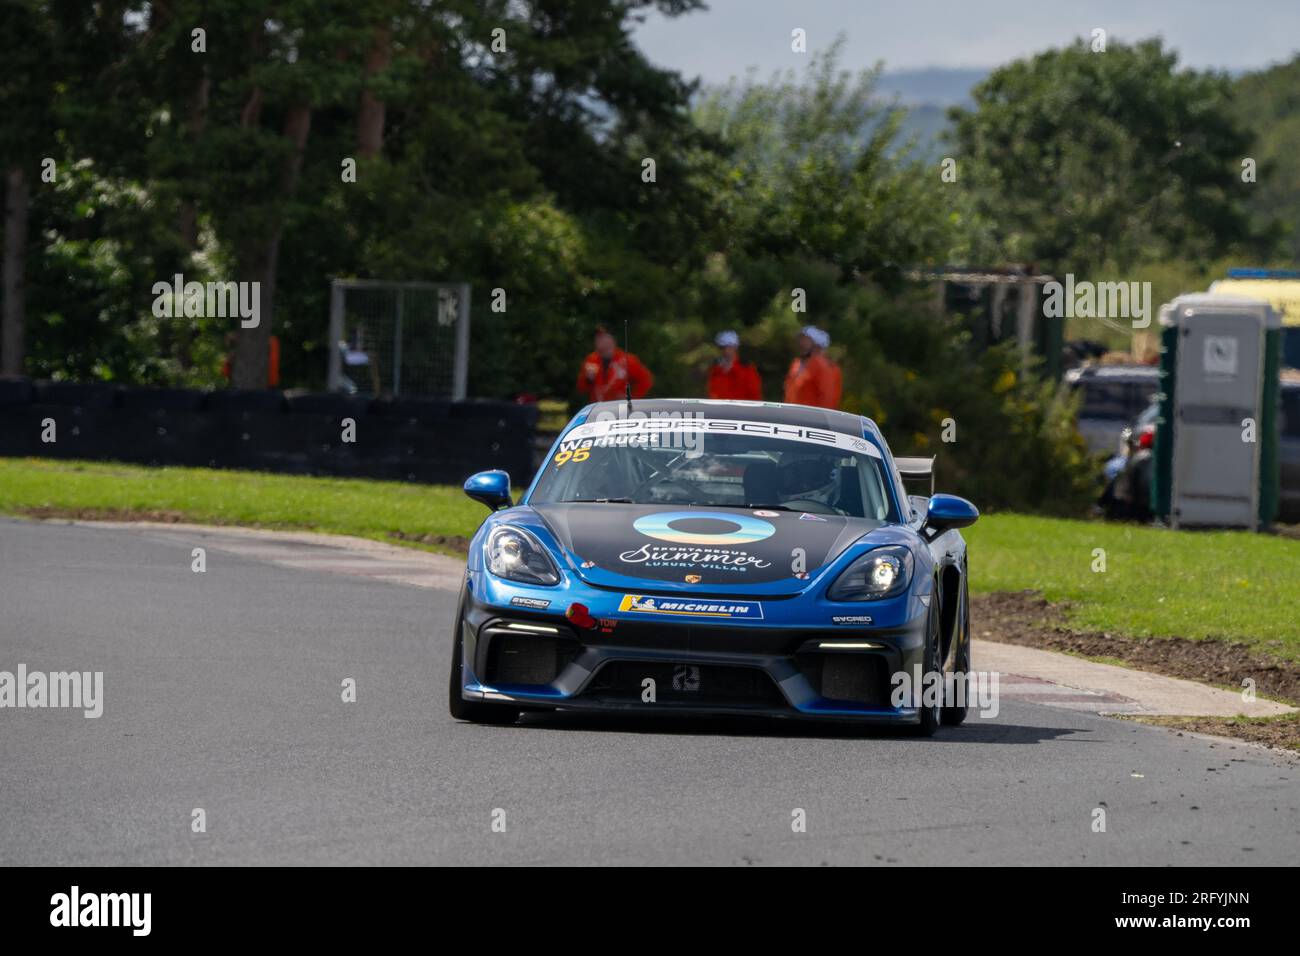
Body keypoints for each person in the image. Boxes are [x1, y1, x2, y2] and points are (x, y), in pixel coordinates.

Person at [576, 325, 653, 403]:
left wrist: (632, 398)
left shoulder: (627, 360)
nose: (601, 341)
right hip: (599, 409)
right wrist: (588, 380)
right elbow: (581, 388)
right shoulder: (591, 360)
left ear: (612, 340)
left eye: (603, 337)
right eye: (598, 338)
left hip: (620, 408)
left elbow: (646, 380)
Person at [783, 325, 840, 409]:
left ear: (816, 344)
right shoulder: (797, 363)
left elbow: (827, 398)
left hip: (811, 418)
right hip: (792, 415)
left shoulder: (823, 366)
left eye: (806, 340)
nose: (802, 343)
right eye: (801, 339)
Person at [707, 330, 762, 401]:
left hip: (742, 410)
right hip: (719, 410)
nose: (726, 351)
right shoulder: (715, 370)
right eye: (722, 347)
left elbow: (755, 397)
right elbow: (712, 394)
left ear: (736, 347)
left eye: (729, 347)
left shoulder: (747, 369)